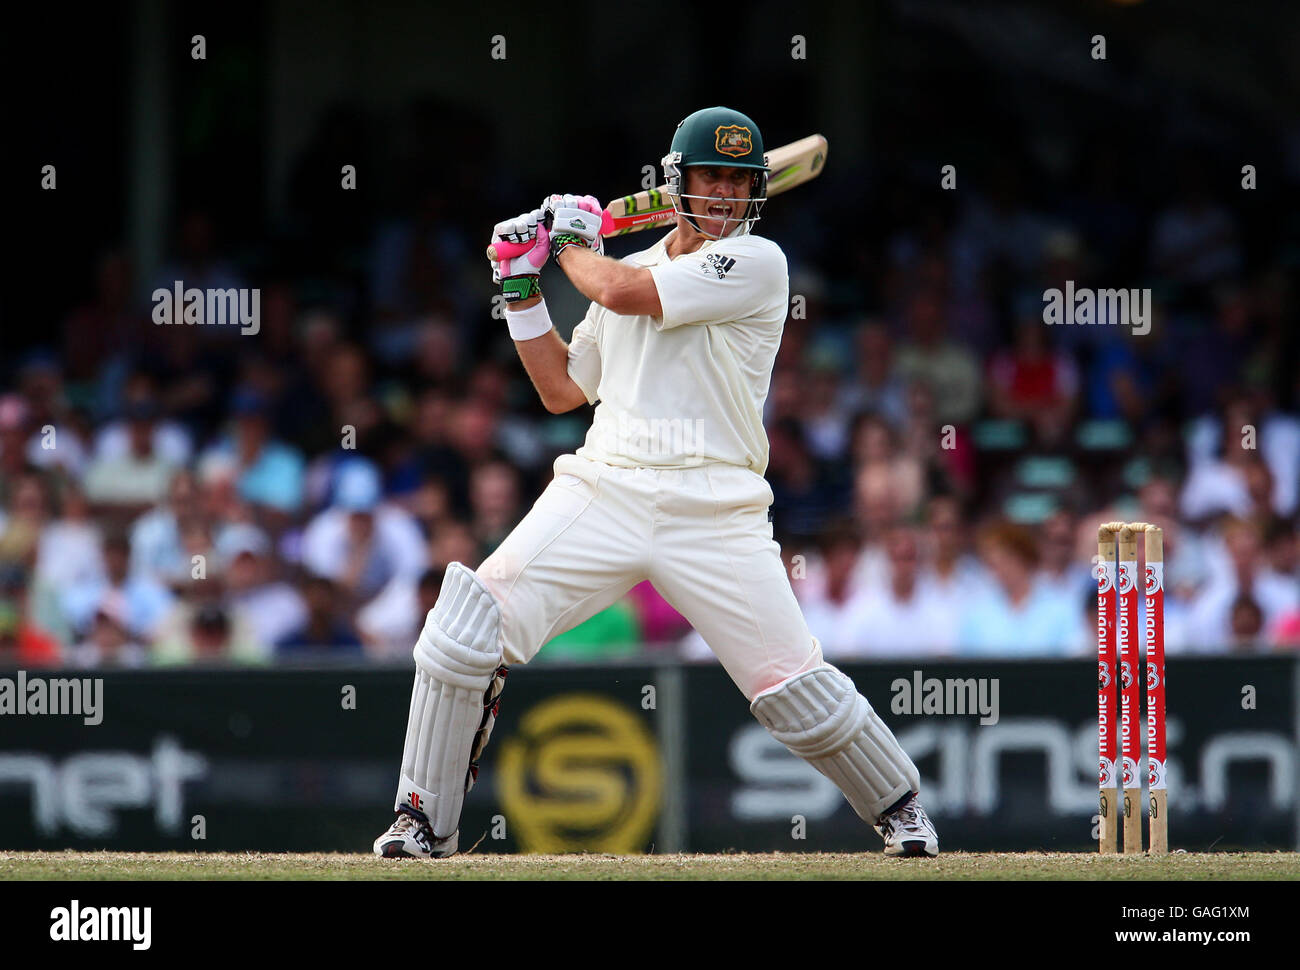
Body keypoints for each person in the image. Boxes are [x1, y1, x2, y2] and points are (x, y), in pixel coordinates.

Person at [373, 107, 937, 860]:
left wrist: (568, 241)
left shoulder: (757, 262)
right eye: (711, 178)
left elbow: (622, 292)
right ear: (677, 183)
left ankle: (901, 809)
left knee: (789, 686)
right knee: (463, 630)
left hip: (717, 506)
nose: (726, 196)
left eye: (739, 183)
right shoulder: (632, 264)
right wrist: (519, 285)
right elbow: (563, 390)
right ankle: (422, 821)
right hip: (605, 486)